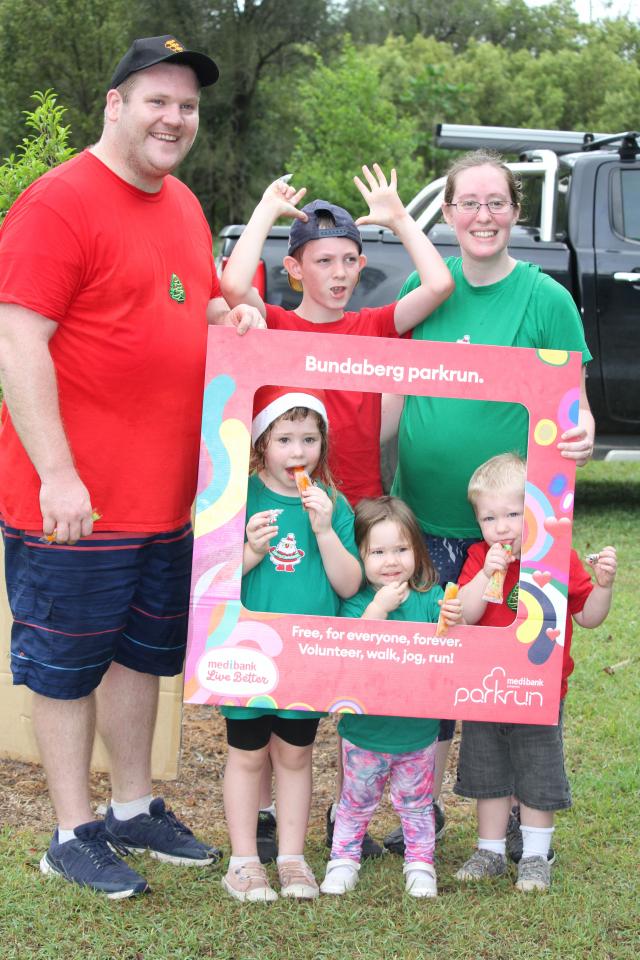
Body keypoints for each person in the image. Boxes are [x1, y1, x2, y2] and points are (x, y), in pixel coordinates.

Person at [0, 35, 262, 899]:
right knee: (67, 664)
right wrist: (57, 473)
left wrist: (240, 310)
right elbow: (17, 337)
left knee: (141, 658)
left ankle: (133, 807)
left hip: (165, 500)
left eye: (186, 106)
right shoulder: (58, 203)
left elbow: (200, 293)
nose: (175, 118)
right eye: (157, 100)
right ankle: (71, 831)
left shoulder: (181, 202)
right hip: (76, 501)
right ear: (114, 104)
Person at [221, 164, 454, 860]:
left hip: (357, 517)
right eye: (325, 260)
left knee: (341, 655)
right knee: (279, 649)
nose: (342, 272)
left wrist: (398, 218)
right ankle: (263, 815)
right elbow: (232, 288)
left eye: (352, 260)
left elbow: (438, 287)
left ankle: (349, 800)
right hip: (288, 513)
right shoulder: (279, 322)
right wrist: (263, 207)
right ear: (294, 269)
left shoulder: (375, 324)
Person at [382, 148, 596, 855]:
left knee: (503, 681)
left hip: (509, 538)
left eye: (496, 202)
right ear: (446, 215)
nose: (483, 216)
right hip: (422, 522)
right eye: (468, 203)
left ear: (516, 212)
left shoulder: (547, 299)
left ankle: (517, 826)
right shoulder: (427, 287)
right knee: (427, 677)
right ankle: (424, 812)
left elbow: (573, 413)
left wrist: (582, 434)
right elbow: (389, 389)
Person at [220, 385, 362, 903]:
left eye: (308, 439)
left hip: (307, 655)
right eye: (284, 439)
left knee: (296, 758)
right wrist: (251, 551)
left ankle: (292, 858)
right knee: (248, 756)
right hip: (247, 652)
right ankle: (242, 863)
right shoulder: (238, 495)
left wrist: (324, 529)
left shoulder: (334, 504)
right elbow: (212, 580)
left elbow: (348, 585)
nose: (297, 453)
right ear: (261, 443)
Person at [454, 453, 616, 892]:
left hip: (538, 687)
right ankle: (489, 850)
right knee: (487, 770)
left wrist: (602, 587)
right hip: (485, 687)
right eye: (489, 518)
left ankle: (535, 855)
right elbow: (465, 616)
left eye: (513, 513)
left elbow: (588, 617)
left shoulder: (555, 557)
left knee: (537, 769)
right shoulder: (477, 557)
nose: (502, 527)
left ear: (537, 511)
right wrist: (484, 575)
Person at [320, 496, 462, 899]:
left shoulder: (430, 597)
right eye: (377, 552)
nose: (391, 560)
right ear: (359, 556)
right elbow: (353, 651)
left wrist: (456, 619)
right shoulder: (358, 602)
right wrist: (379, 608)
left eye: (401, 549)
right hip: (365, 733)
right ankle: (343, 860)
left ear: (417, 550)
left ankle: (420, 864)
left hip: (418, 734)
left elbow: (455, 653)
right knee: (353, 803)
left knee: (416, 806)